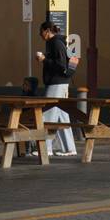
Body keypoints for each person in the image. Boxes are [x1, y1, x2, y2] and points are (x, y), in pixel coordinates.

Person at [35, 21, 79, 156]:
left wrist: (44, 59)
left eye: (41, 31)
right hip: (61, 83)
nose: (40, 34)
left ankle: (46, 148)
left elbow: (60, 65)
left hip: (56, 84)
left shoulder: (55, 43)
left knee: (47, 114)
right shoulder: (56, 42)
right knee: (61, 116)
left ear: (47, 30)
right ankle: (69, 148)